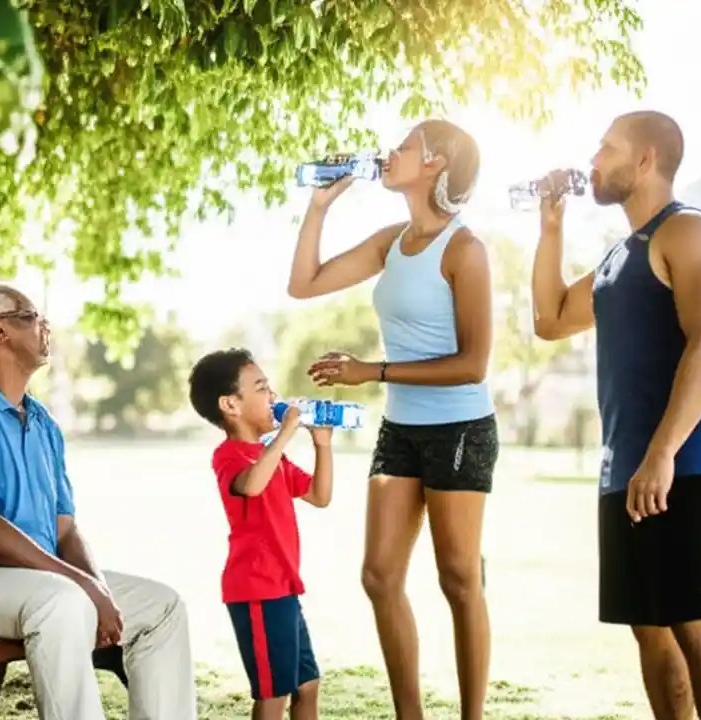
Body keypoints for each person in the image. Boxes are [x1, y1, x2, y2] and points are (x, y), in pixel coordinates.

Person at [530, 110, 701, 720]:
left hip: (686, 462)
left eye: (607, 147)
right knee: (650, 628)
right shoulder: (618, 258)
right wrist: (550, 227)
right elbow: (549, 320)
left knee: (697, 624)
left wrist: (662, 454)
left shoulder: (688, 233)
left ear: (646, 158)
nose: (593, 159)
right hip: (624, 468)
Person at [0, 282, 197, 720]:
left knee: (162, 607)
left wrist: (96, 585)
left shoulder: (41, 422)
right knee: (62, 601)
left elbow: (65, 529)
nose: (45, 326)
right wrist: (82, 587)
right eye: (31, 315)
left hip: (32, 575)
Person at [286, 119, 497, 720]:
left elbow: (473, 364)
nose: (389, 152)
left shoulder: (464, 249)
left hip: (460, 429)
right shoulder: (391, 240)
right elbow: (303, 284)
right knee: (380, 577)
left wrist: (371, 372)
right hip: (401, 430)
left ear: (435, 163)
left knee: (459, 579)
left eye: (404, 147)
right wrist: (319, 206)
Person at [187, 349, 334, 720]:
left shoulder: (275, 457)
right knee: (273, 694)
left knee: (307, 685)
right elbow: (251, 486)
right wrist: (285, 434)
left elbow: (319, 495)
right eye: (262, 388)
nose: (273, 396)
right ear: (230, 404)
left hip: (283, 586)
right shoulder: (229, 455)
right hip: (256, 588)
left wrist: (322, 445)